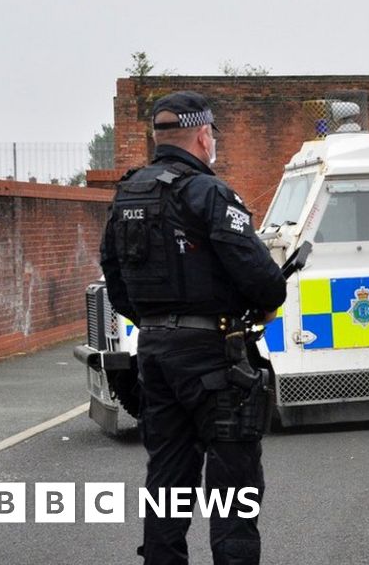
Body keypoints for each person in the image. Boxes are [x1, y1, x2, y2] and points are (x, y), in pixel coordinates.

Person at [100, 91, 286, 565]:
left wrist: (159, 324)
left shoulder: (127, 195)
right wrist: (262, 305)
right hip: (214, 359)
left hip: (155, 355)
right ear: (204, 136)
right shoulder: (209, 193)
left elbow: (115, 279)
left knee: (167, 481)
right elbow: (262, 278)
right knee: (234, 487)